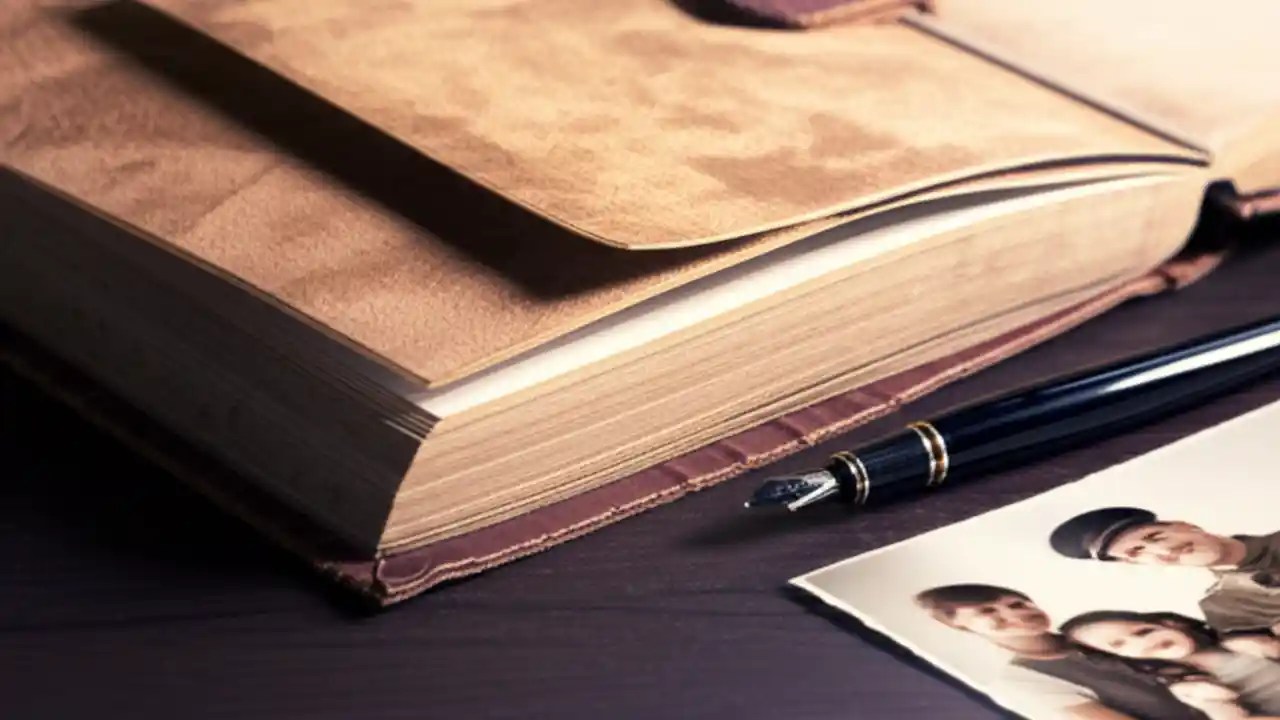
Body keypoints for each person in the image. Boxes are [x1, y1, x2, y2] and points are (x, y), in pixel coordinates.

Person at [914, 584, 1208, 720]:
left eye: (1017, 603)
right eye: (987, 611)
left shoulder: (1093, 633)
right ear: (962, 627)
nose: (1015, 613)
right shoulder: (1021, 680)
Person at [1049, 507, 1280, 634]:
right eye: (1137, 553)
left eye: (1155, 536)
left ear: (1185, 525)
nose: (1164, 549)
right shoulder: (1227, 609)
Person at [1061, 610, 1280, 719]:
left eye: (1144, 631)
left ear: (1170, 623)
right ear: (1119, 656)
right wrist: (1215, 701)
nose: (1145, 642)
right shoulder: (1187, 685)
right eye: (1119, 644)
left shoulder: (1234, 640)